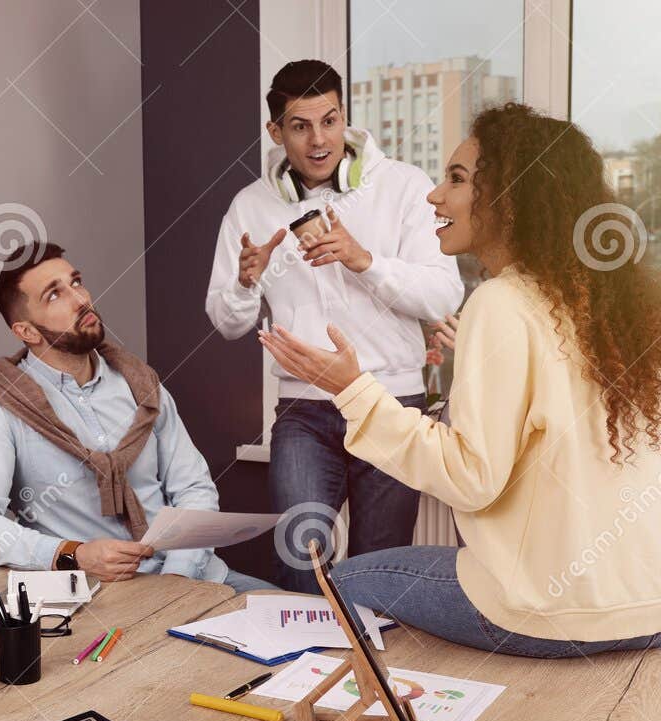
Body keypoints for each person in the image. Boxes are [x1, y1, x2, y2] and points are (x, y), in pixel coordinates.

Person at [258, 103, 661, 658]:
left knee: (335, 583)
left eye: (457, 179)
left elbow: (473, 478)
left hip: (551, 614)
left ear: (510, 199)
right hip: (647, 607)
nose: (434, 196)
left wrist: (351, 387)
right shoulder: (609, 307)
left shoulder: (501, 302)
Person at [204, 59, 462, 592]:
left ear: (345, 116)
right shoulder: (250, 207)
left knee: (381, 572)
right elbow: (228, 323)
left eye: (330, 119)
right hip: (304, 412)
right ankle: (297, 676)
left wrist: (365, 261)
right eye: (300, 126)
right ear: (276, 132)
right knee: (300, 565)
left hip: (390, 403)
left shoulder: (405, 187)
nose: (319, 140)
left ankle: (370, 677)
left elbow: (443, 293)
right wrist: (246, 283)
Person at [0, 242, 273, 593]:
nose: (80, 299)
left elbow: (193, 489)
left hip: (196, 578)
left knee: (321, 632)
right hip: (96, 596)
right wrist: (73, 555)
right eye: (54, 295)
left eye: (76, 282)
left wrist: (177, 579)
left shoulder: (140, 383)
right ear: (27, 332)